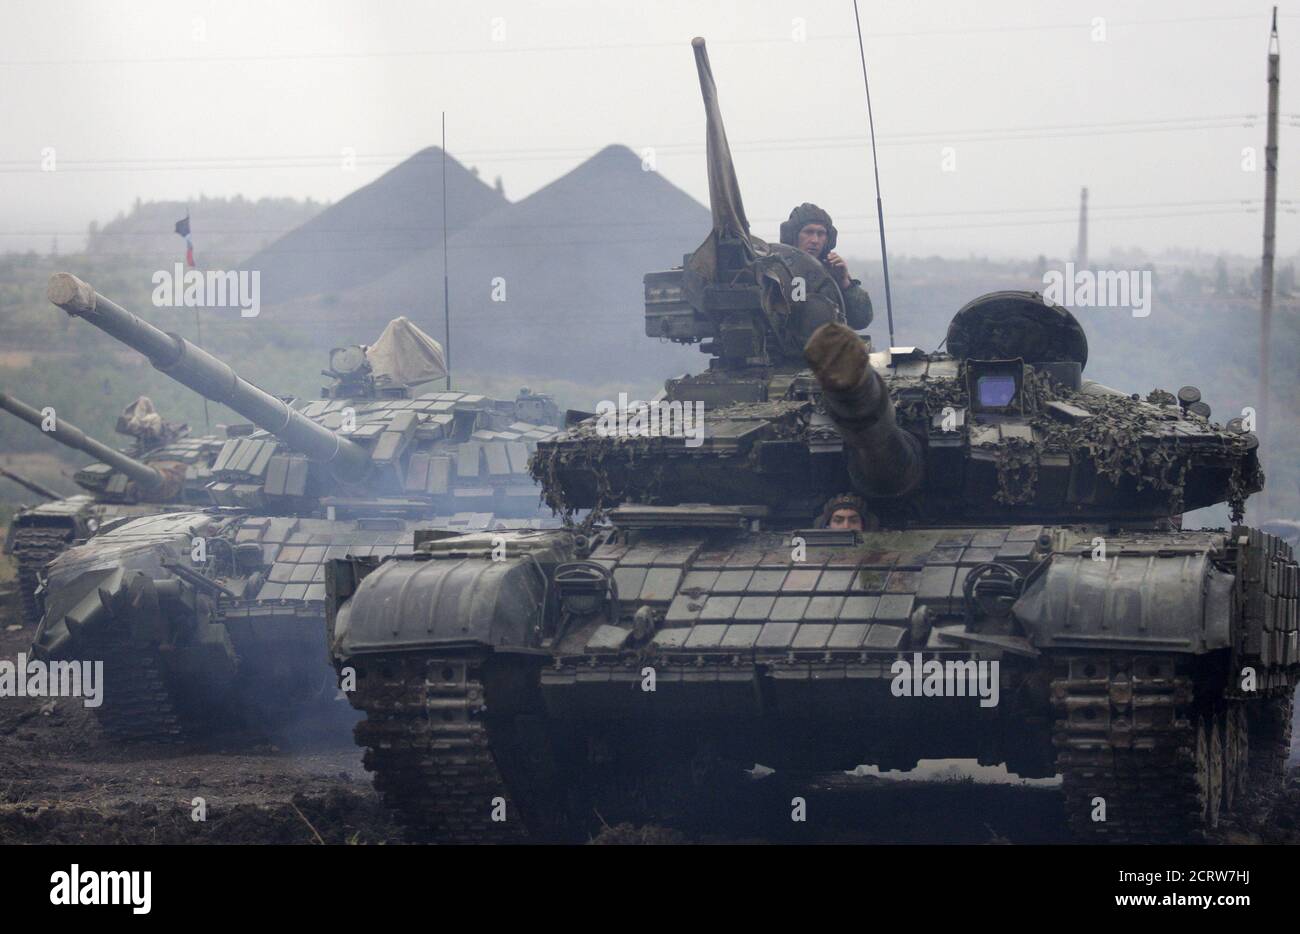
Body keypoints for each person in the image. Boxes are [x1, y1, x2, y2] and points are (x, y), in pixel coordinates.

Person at [779, 203, 873, 331]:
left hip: (826, 346)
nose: (815, 240)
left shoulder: (832, 271)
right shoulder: (775, 270)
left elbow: (861, 320)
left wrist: (844, 283)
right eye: (808, 232)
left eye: (821, 233)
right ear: (793, 235)